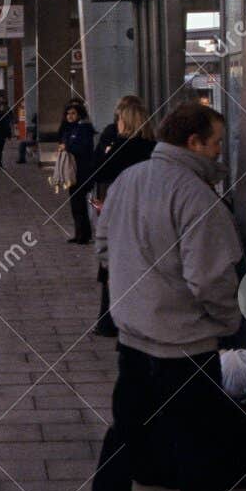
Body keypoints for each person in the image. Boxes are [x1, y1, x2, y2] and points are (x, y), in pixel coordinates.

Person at [81, 102, 246, 491]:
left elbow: (102, 244)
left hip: (133, 337)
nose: (217, 152)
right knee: (200, 440)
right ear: (194, 143)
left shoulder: (128, 179)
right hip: (183, 344)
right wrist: (227, 324)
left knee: (124, 434)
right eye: (214, 142)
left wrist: (135, 291)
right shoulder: (196, 196)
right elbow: (210, 279)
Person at [90, 99, 157, 335]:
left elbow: (98, 171)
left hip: (120, 215)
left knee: (113, 265)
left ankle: (109, 321)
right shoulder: (154, 148)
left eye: (119, 119)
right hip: (150, 216)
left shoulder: (119, 147)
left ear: (125, 122)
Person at [59, 103, 98, 244]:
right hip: (73, 171)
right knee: (75, 203)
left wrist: (67, 146)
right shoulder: (68, 129)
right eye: (68, 113)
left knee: (80, 203)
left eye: (73, 113)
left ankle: (84, 234)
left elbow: (82, 148)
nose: (70, 116)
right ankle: (80, 233)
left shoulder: (84, 129)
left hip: (83, 170)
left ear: (79, 114)